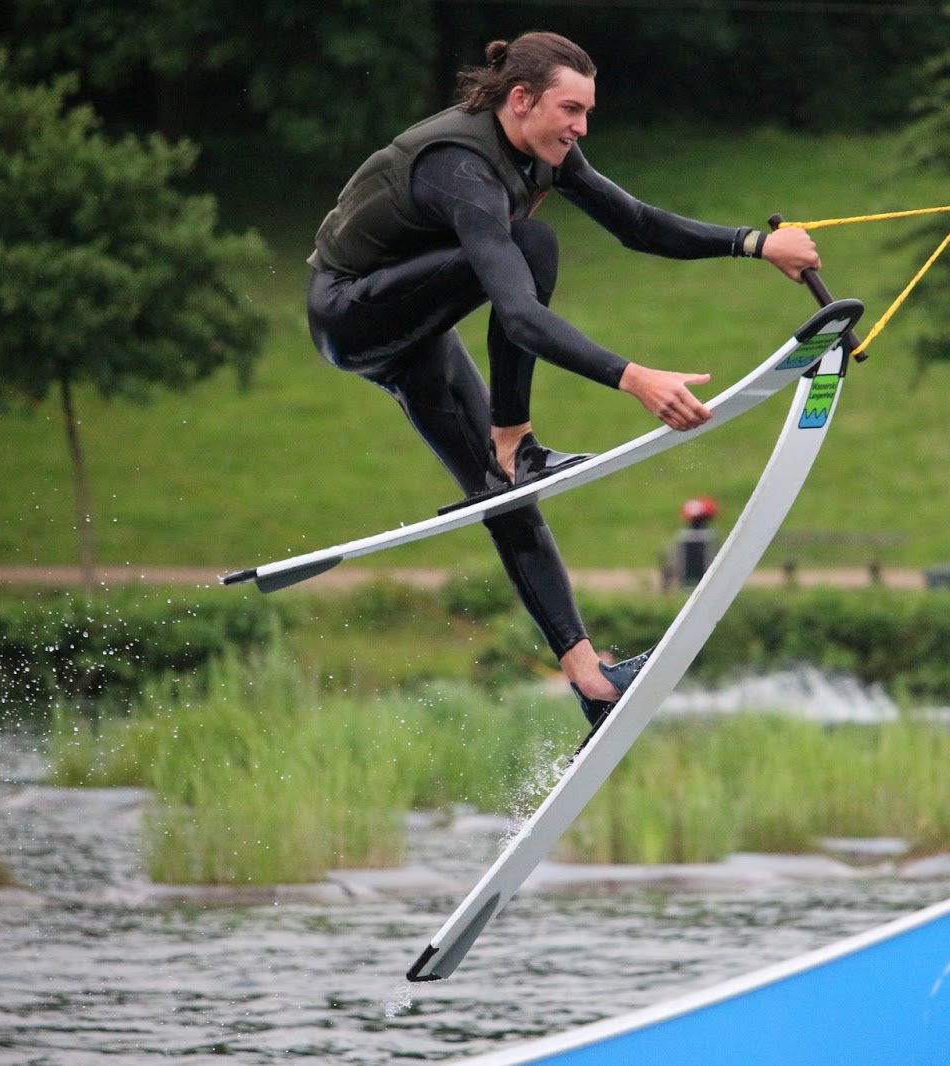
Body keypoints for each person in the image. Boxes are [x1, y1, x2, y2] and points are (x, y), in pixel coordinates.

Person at [305, 31, 820, 726]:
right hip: (352, 316)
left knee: (506, 494)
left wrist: (755, 244)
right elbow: (519, 315)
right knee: (532, 242)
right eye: (570, 110)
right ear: (521, 100)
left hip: (419, 333)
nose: (581, 129)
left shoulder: (545, 150)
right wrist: (633, 378)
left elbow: (637, 225)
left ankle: (591, 680)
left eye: (587, 113)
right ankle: (514, 439)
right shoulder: (460, 168)